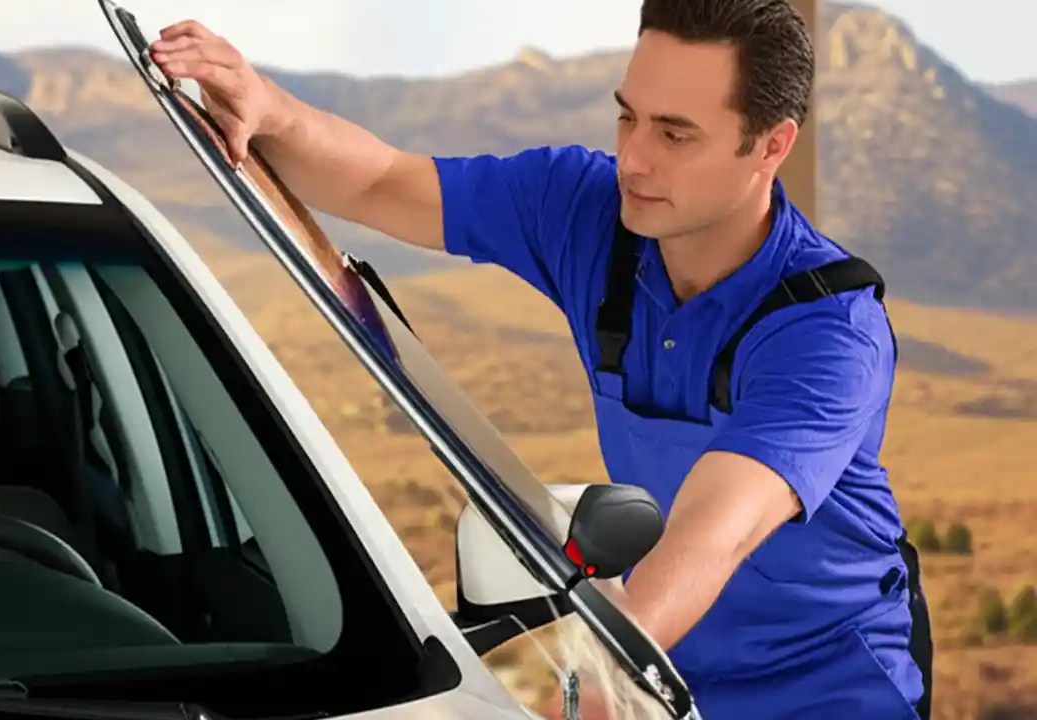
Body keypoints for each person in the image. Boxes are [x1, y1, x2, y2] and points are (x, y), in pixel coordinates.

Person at [148, 0, 932, 717]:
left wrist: (609, 683)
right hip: (674, 678)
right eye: (628, 119)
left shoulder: (830, 334)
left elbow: (710, 534)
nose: (634, 159)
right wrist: (271, 110)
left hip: (832, 688)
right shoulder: (587, 210)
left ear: (771, 145)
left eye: (675, 133)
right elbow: (387, 182)